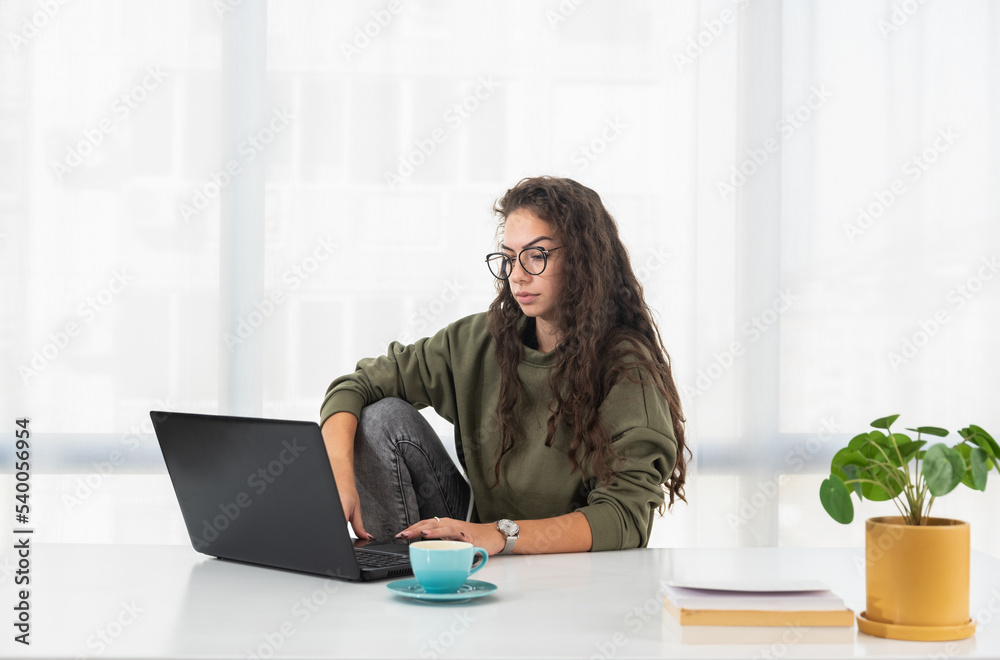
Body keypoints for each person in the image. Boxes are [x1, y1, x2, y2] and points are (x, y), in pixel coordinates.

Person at [320, 175, 688, 556]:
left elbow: (624, 517)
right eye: (510, 258)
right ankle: (392, 567)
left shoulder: (626, 369)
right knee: (381, 419)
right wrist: (339, 473)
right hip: (479, 543)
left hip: (570, 564)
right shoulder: (482, 339)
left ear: (583, 260)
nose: (517, 275)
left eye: (537, 255)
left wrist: (500, 535)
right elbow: (355, 385)